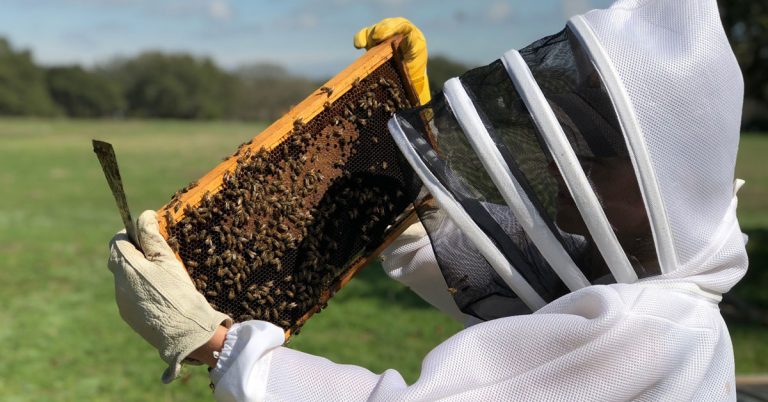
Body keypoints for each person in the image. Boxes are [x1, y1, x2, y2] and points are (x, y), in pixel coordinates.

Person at [108, 0, 749, 400]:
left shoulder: (650, 330)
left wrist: (217, 344)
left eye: (597, 160)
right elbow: (526, 284)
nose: (564, 169)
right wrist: (412, 199)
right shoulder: (665, 295)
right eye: (567, 144)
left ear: (667, 187)